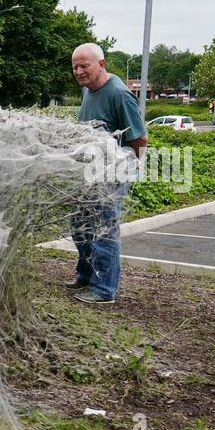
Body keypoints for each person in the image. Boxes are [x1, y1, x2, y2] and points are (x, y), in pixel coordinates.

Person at [68, 43, 147, 303]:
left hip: (111, 174)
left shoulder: (119, 93)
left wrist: (128, 168)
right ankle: (86, 275)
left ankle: (104, 289)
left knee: (104, 229)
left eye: (84, 66)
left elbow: (139, 137)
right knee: (80, 225)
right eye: (75, 66)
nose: (79, 71)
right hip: (89, 171)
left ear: (101, 64)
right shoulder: (88, 90)